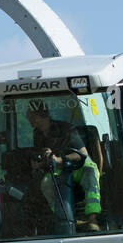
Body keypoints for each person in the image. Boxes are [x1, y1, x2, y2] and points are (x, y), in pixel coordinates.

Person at [27, 99, 101, 232]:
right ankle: (65, 218)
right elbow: (43, 156)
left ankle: (92, 218)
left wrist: (58, 159)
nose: (27, 118)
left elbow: (83, 154)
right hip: (59, 169)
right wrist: (39, 163)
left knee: (90, 171)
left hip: (78, 166)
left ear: (38, 116)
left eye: (29, 115)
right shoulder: (37, 134)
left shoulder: (67, 128)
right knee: (46, 183)